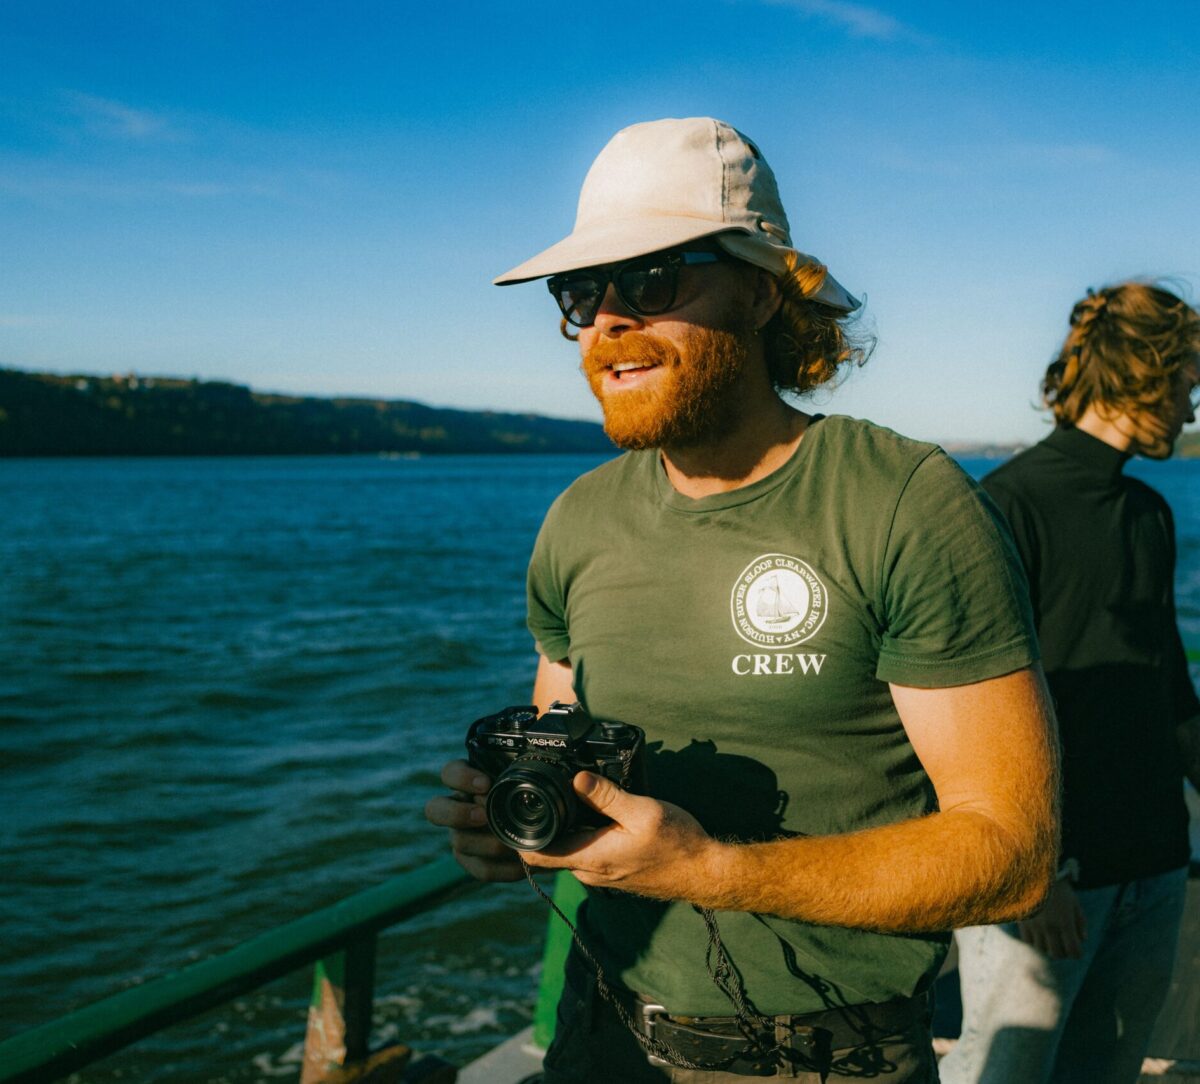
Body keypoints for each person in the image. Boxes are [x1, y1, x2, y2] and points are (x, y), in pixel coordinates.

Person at [425, 117, 1059, 1083]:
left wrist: (712, 869)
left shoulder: (900, 501)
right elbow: (560, 736)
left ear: (763, 294)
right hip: (598, 1044)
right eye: (582, 293)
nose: (608, 322)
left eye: (649, 280)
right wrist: (525, 828)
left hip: (826, 1059)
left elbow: (1013, 851)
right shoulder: (577, 522)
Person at [939, 282, 1200, 1084]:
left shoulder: (1148, 514)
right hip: (1051, 882)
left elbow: (1169, 694)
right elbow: (966, 718)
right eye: (1188, 386)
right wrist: (1032, 876)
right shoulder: (1005, 510)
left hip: (1153, 866)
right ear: (1142, 373)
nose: (1192, 411)